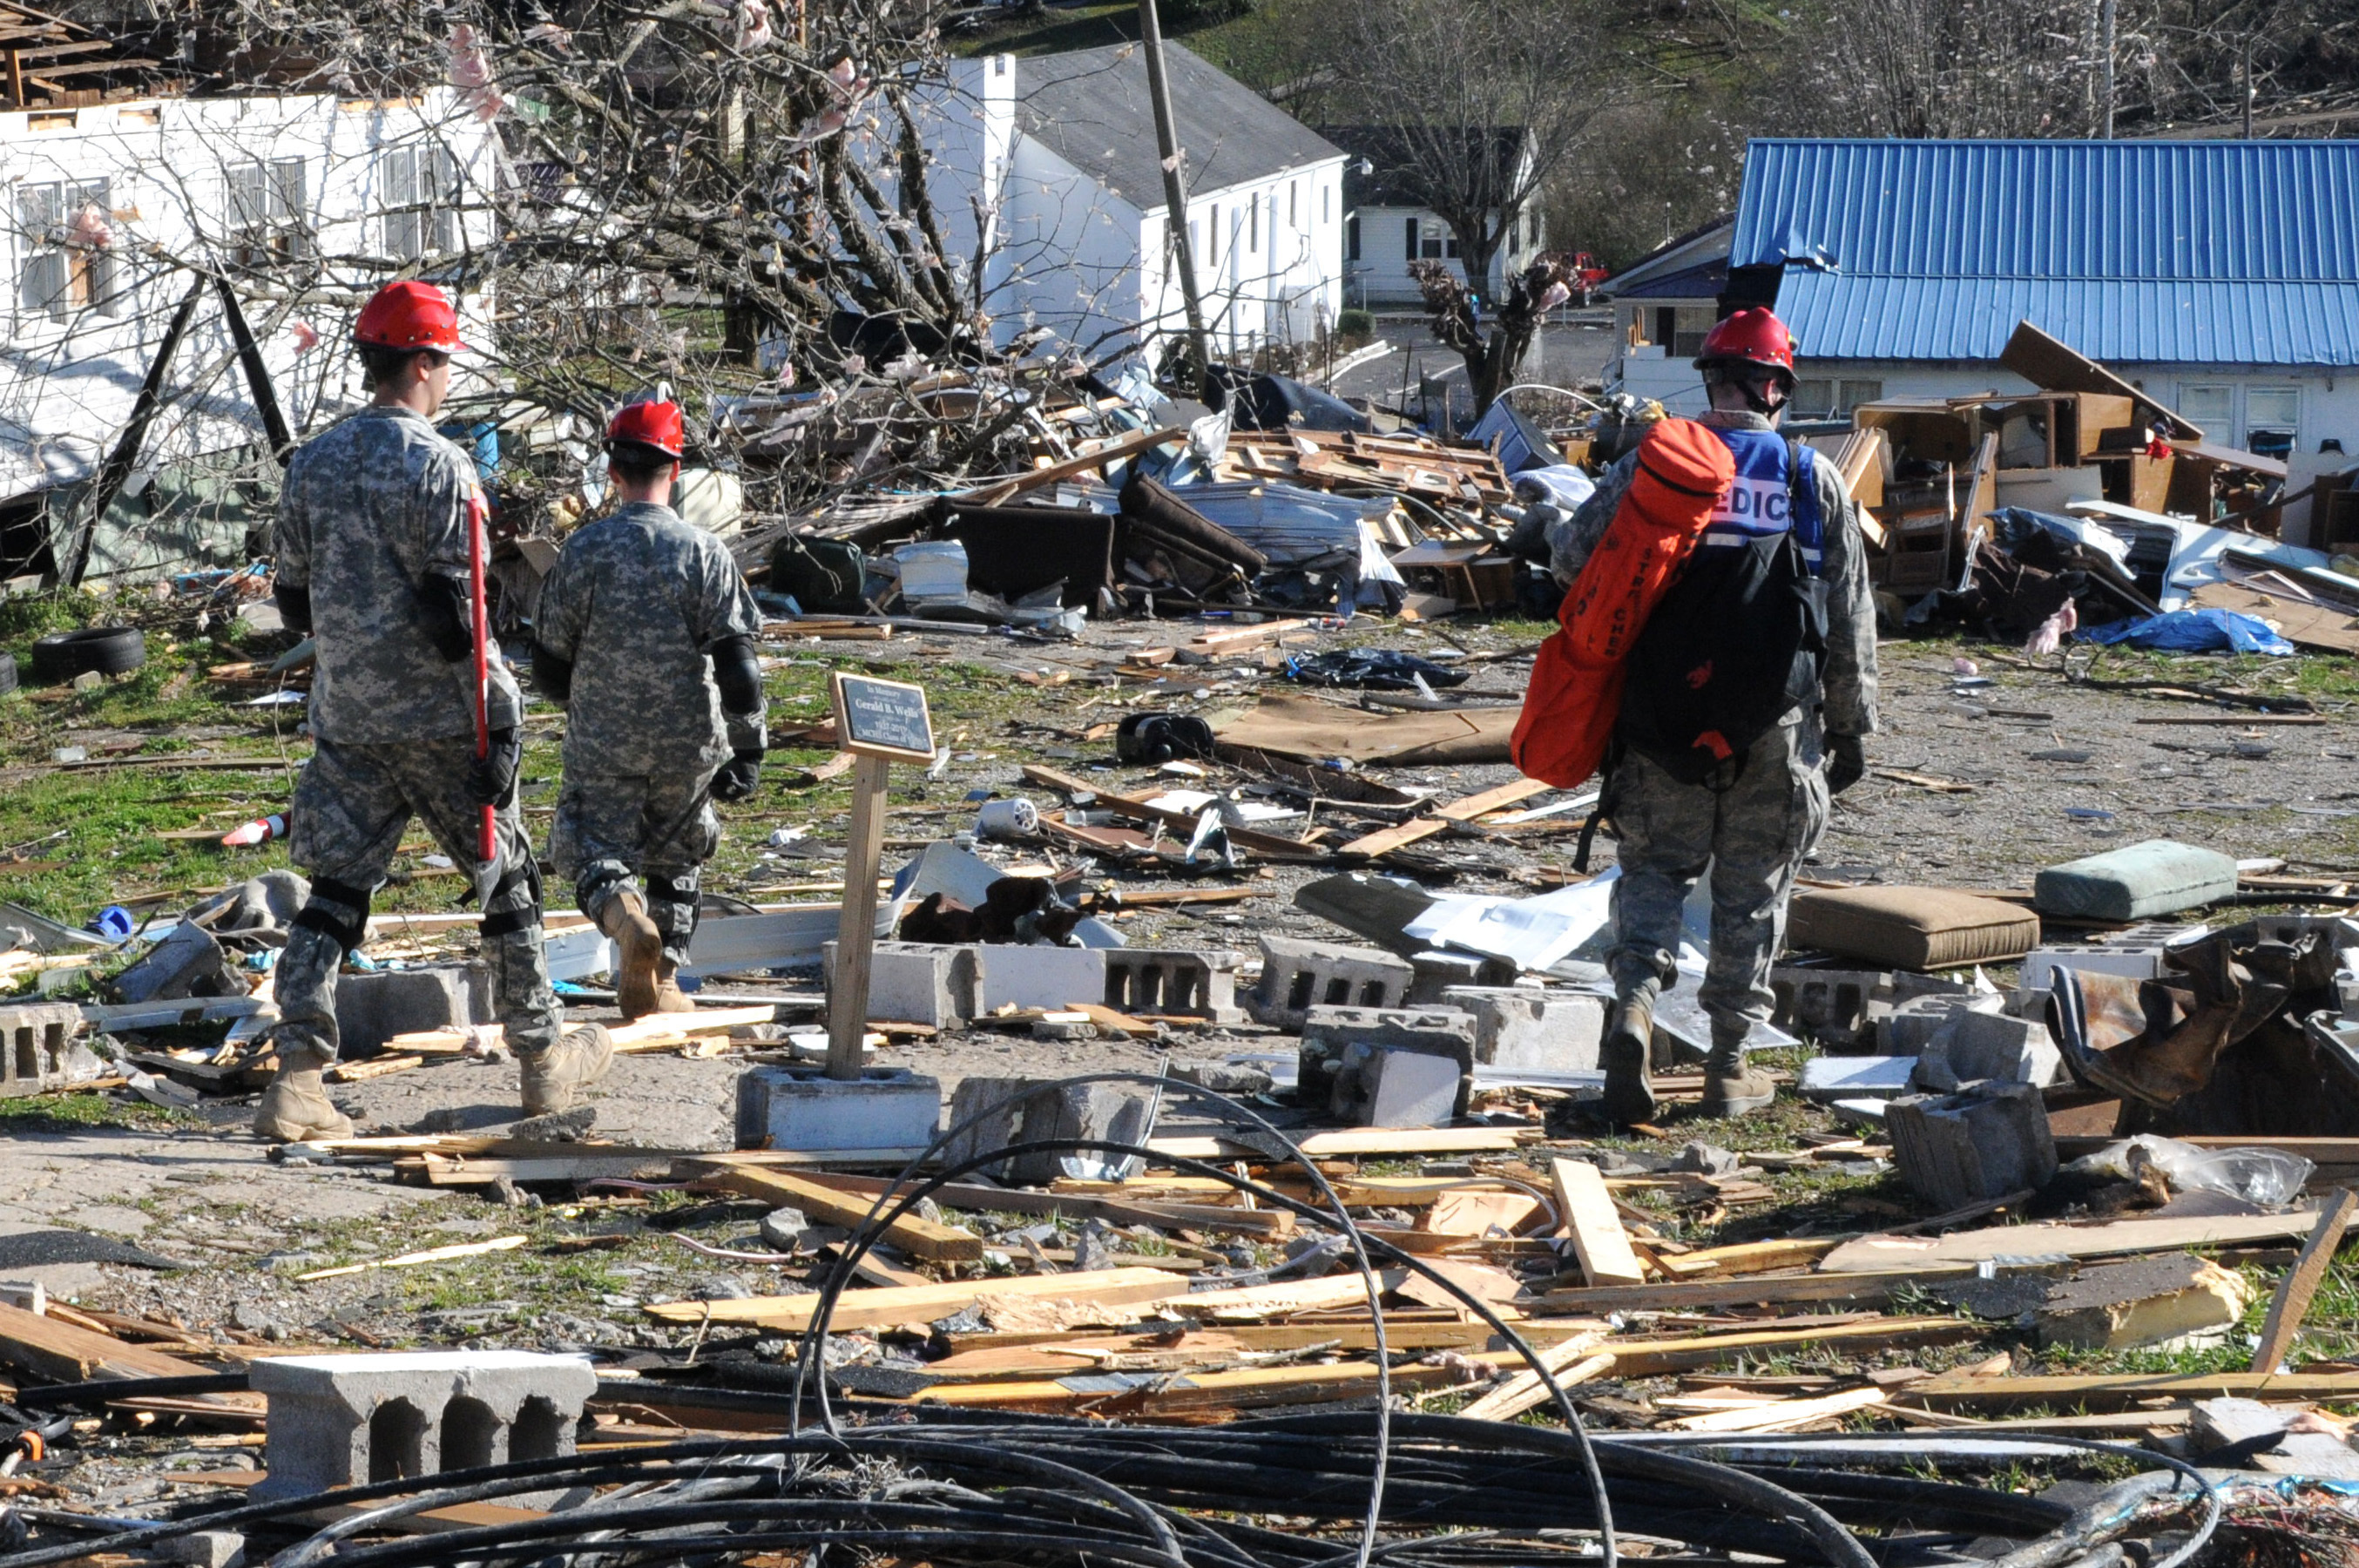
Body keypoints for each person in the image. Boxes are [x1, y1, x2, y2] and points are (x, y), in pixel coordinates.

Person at [256, 280, 612, 1142]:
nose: (447, 379)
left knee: (333, 895)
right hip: (448, 722)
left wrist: (357, 641)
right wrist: (501, 719)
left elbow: (293, 604)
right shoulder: (439, 466)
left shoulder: (312, 462)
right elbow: (464, 619)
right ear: (421, 362)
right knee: (508, 890)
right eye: (444, 363)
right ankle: (542, 1066)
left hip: (349, 719)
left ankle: (298, 1080)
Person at [1547, 307, 1879, 1124]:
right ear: (1777, 387)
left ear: (1711, 379)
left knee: (1655, 870)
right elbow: (1846, 616)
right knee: (1753, 890)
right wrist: (1850, 726)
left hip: (1660, 723)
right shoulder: (1810, 477)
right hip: (1775, 725)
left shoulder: (1656, 468)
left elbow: (1566, 561)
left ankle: (1633, 1005)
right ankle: (1729, 1065)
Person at [534, 397, 767, 1017]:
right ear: (677, 467)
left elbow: (548, 663)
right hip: (689, 740)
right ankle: (662, 983)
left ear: (613, 471)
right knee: (678, 853)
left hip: (604, 739)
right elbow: (738, 666)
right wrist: (750, 749)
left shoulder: (584, 552)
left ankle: (622, 913)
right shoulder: (705, 553)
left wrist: (585, 704)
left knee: (587, 847)